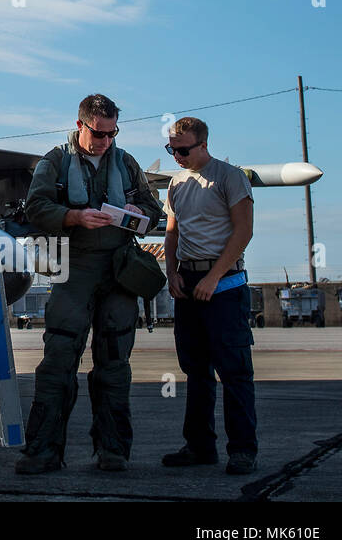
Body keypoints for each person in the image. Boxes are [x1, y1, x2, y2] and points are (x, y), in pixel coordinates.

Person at [15, 93, 164, 474]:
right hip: (75, 267)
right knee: (58, 359)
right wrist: (74, 217)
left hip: (119, 270)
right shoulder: (54, 162)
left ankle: (113, 450)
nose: (105, 141)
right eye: (99, 133)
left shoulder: (126, 163)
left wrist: (138, 213)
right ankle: (43, 451)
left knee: (115, 362)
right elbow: (36, 208)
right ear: (80, 125)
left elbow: (154, 210)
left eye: (112, 133)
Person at [161, 116, 257, 475]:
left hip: (225, 285)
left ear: (203, 145)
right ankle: (200, 446)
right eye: (171, 149)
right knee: (196, 370)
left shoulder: (230, 177)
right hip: (188, 282)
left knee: (234, 372)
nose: (177, 156)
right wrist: (172, 273)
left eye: (183, 150)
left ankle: (243, 450)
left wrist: (214, 277)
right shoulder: (177, 183)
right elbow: (172, 232)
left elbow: (244, 231)